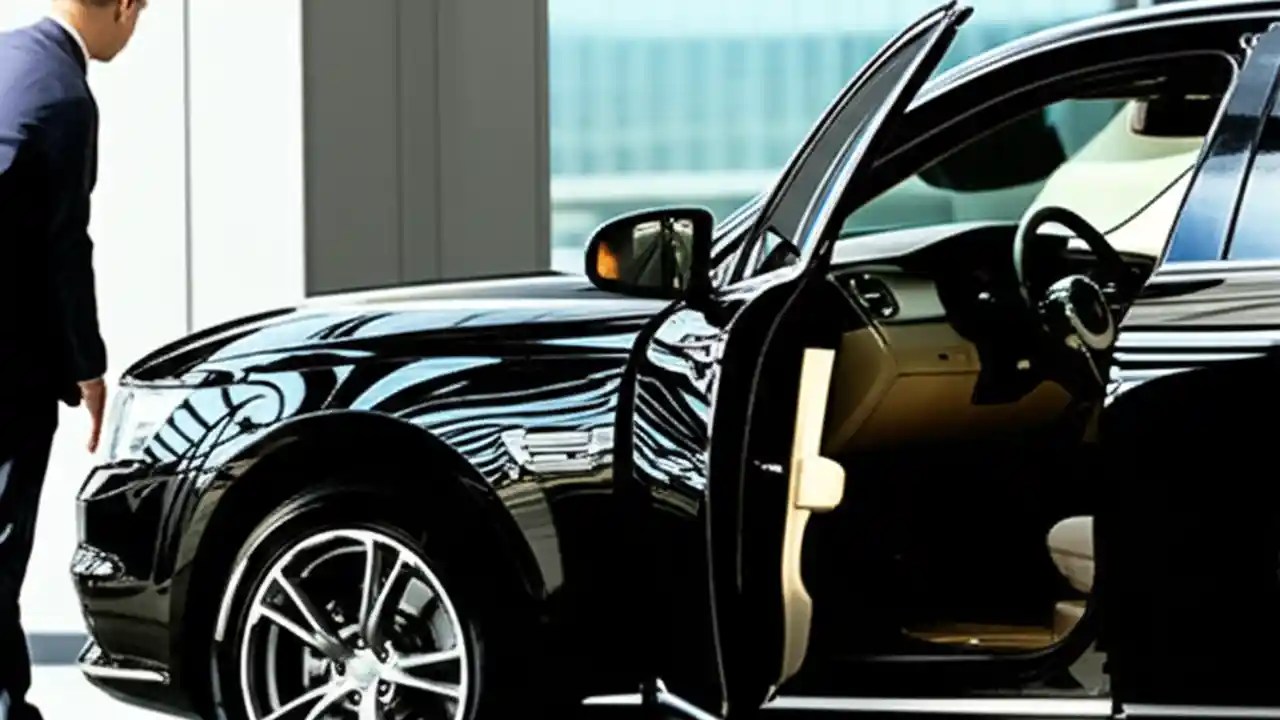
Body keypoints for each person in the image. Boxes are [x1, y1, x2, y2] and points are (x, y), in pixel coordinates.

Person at [0, 1, 145, 717]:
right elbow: (64, 249)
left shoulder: (6, 60)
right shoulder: (64, 95)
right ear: (121, 8)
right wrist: (88, 366)